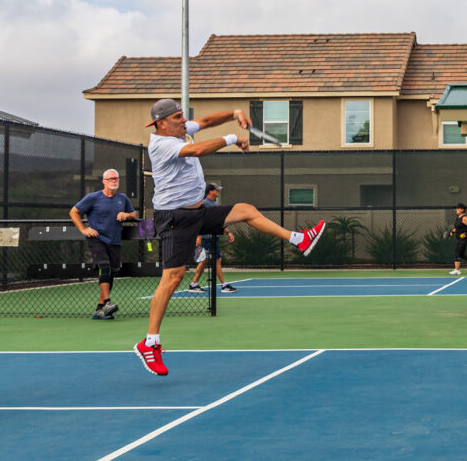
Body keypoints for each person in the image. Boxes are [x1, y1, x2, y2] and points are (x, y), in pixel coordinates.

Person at [138, 99, 326, 377]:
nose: (183, 120)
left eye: (182, 116)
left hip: (197, 211)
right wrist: (231, 138)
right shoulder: (163, 144)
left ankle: (299, 239)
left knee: (247, 210)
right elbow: (199, 149)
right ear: (160, 123)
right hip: (175, 218)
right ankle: (149, 342)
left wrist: (234, 113)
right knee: (173, 277)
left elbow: (206, 122)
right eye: (177, 117)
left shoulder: (179, 129)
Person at [70, 168, 138, 319]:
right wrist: (83, 229)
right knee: (104, 267)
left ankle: (99, 309)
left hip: (115, 241)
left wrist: (127, 215)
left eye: (116, 179)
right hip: (97, 239)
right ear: (104, 181)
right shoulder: (93, 197)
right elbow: (73, 212)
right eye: (111, 179)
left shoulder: (122, 198)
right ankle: (107, 302)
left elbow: (134, 214)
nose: (114, 181)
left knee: (111, 273)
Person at [189, 182, 237, 293]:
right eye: (216, 190)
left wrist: (228, 232)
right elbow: (199, 221)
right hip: (207, 237)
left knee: (208, 260)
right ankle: (223, 285)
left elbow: (218, 221)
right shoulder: (204, 203)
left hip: (214, 237)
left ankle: (194, 284)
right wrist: (198, 236)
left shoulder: (214, 204)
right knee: (213, 260)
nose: (218, 191)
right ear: (210, 191)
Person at [449, 203, 467, 275]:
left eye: (458, 208)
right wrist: (452, 232)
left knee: (457, 251)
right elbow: (457, 228)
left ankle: (457, 270)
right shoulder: (458, 218)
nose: (456, 210)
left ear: (462, 210)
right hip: (459, 238)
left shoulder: (464, 218)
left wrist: (466, 233)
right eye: (456, 208)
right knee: (462, 254)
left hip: (464, 239)